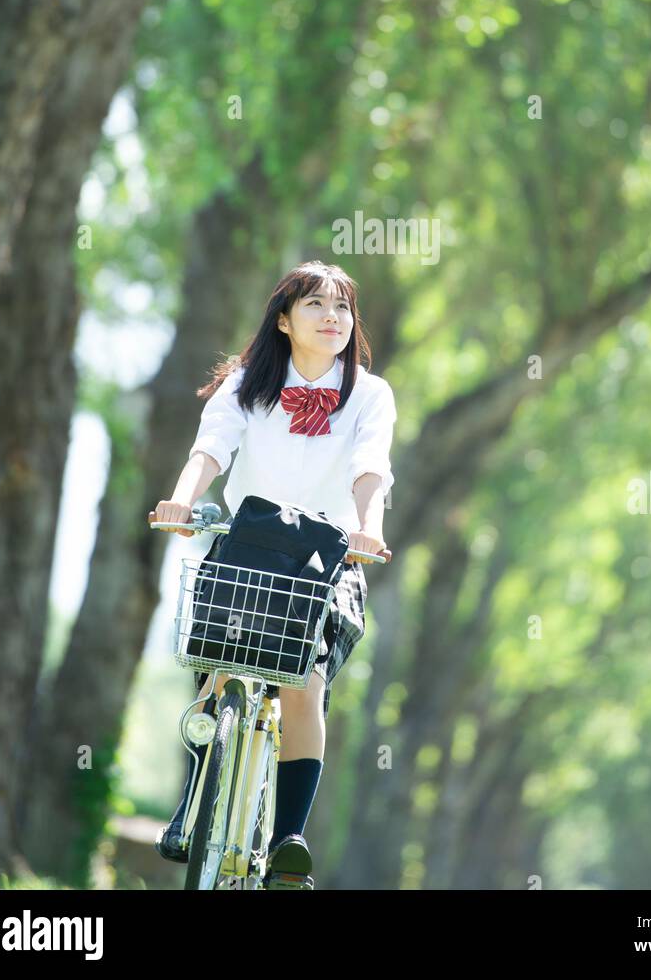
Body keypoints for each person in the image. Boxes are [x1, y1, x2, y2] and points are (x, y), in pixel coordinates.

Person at [148, 259, 397, 889]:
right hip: (251, 545)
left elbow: (371, 466)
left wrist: (371, 527)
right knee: (220, 664)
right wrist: (181, 500)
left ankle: (288, 836)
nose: (332, 317)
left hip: (330, 556)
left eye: (342, 307)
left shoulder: (369, 394)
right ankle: (193, 803)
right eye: (315, 305)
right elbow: (210, 449)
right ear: (283, 321)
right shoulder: (245, 385)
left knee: (303, 684)